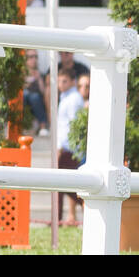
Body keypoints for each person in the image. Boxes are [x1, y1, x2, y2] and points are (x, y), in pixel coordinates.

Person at [55, 66, 86, 224]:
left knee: (63, 184)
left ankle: (85, 204)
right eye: (59, 81)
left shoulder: (73, 99)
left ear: (73, 82)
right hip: (67, 147)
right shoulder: (67, 97)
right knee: (62, 184)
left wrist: (62, 146)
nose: (61, 84)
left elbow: (73, 126)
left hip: (70, 148)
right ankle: (58, 217)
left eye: (64, 81)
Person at [23, 51, 50, 136]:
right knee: (25, 94)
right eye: (31, 57)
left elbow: (43, 91)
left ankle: (43, 126)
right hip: (25, 100)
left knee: (34, 97)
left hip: (37, 101)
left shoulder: (40, 74)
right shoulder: (21, 74)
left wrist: (38, 79)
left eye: (35, 57)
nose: (34, 59)